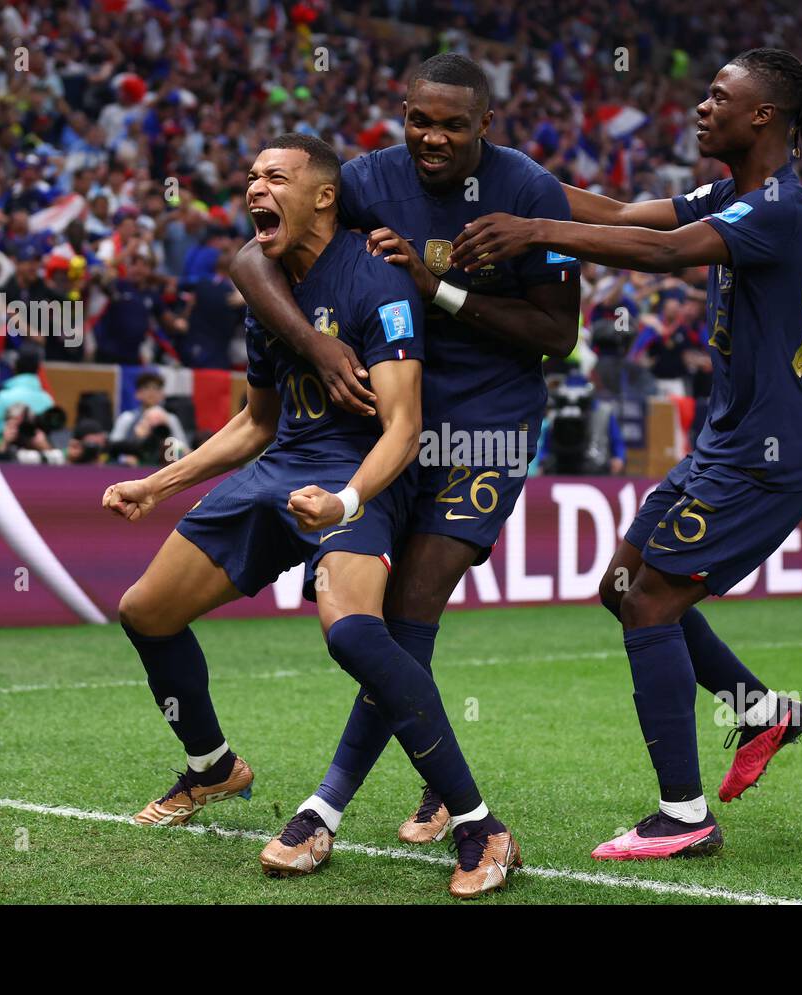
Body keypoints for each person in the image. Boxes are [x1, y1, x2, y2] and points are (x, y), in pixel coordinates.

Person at [106, 134, 519, 899]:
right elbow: (255, 422)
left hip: (357, 482)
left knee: (356, 634)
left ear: (323, 195)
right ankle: (213, 767)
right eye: (250, 176)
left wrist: (348, 501)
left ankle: (478, 820)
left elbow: (403, 427)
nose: (254, 188)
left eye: (275, 177)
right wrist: (157, 484)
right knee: (145, 611)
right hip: (275, 473)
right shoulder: (270, 286)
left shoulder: (377, 280)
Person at [450, 47, 802, 860]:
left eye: (718, 96)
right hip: (730, 441)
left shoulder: (778, 208)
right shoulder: (732, 193)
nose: (701, 107)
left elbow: (664, 254)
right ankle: (759, 709)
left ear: (762, 116)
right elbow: (629, 216)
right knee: (624, 587)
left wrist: (533, 228)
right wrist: (518, 183)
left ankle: (684, 814)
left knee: (655, 603)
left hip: (772, 453)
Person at [230, 54, 579, 848]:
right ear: (403, 109)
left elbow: (560, 334)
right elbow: (254, 258)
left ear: (486, 123)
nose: (434, 137)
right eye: (421, 119)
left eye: (454, 124)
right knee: (379, 622)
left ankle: (326, 807)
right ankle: (436, 779)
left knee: (410, 607)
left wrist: (439, 289)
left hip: (484, 427)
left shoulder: (529, 192)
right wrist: (316, 351)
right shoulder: (360, 179)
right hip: (391, 425)